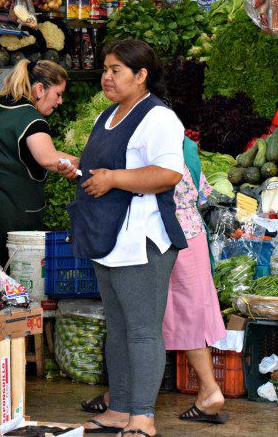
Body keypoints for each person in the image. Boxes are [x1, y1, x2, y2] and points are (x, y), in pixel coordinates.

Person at [68, 39, 188, 437]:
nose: (106, 77)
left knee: (142, 329)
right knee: (116, 327)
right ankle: (119, 409)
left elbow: (170, 173)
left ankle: (143, 416)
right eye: (105, 69)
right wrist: (78, 170)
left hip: (143, 239)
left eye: (116, 70)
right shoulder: (109, 115)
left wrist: (115, 179)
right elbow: (99, 167)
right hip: (108, 237)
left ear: (141, 76)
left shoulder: (158, 118)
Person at [80, 138, 229, 426]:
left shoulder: (148, 152)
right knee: (191, 315)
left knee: (141, 321)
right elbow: (201, 195)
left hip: (163, 236)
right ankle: (209, 389)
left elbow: (134, 190)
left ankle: (122, 400)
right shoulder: (188, 149)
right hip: (193, 236)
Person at [0, 59, 78, 268]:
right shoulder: (31, 119)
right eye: (58, 94)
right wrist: (89, 162)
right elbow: (49, 159)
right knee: (7, 272)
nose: (59, 101)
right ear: (40, 89)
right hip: (9, 210)